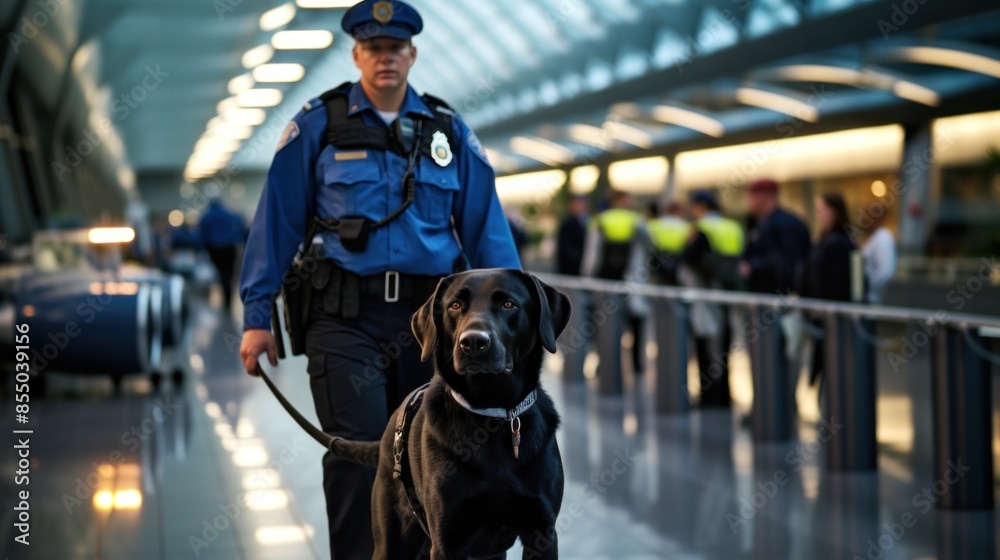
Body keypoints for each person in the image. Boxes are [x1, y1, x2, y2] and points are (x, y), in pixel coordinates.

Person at [237, 2, 520, 558]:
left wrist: (515, 324)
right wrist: (255, 318)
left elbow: (489, 234)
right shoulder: (317, 125)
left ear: (412, 54)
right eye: (373, 48)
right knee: (360, 452)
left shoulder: (448, 132)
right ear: (356, 54)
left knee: (433, 452)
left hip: (430, 324)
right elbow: (276, 224)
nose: (385, 58)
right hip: (344, 319)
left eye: (395, 48)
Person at [679, 191, 745, 407]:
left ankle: (708, 397)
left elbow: (687, 258)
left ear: (700, 206)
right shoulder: (733, 227)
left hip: (706, 294)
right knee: (725, 347)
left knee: (705, 345)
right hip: (729, 292)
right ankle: (725, 395)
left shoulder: (701, 229)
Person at [581, 189, 647, 376]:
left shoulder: (600, 220)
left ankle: (605, 365)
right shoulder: (637, 220)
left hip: (605, 282)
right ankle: (636, 366)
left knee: (605, 325)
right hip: (631, 281)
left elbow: (592, 255)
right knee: (636, 323)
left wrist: (587, 278)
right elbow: (648, 247)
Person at [798, 192, 855, 389]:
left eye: (822, 210)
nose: (819, 215)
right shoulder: (827, 240)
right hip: (822, 316)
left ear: (835, 212)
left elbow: (837, 283)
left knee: (832, 371)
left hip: (830, 318)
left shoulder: (837, 243)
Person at [198, 198, 247, 311]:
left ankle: (226, 298)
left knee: (221, 273)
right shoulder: (230, 214)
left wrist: (202, 249)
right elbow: (241, 227)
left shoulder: (207, 216)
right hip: (230, 248)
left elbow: (202, 235)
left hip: (215, 249)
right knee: (229, 273)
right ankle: (228, 298)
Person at [645, 200, 691, 286]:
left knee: (657, 285)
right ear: (679, 211)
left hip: (657, 258)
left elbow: (648, 240)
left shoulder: (655, 223)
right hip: (677, 260)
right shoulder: (686, 226)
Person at [861, 209, 896, 304]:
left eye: (866, 215)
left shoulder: (883, 237)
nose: (863, 219)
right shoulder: (873, 237)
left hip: (872, 299)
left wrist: (869, 289)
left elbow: (885, 272)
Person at [556, 194, 589, 276]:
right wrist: (576, 256)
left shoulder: (587, 221)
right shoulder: (568, 222)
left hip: (581, 264)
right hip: (570, 266)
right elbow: (564, 244)